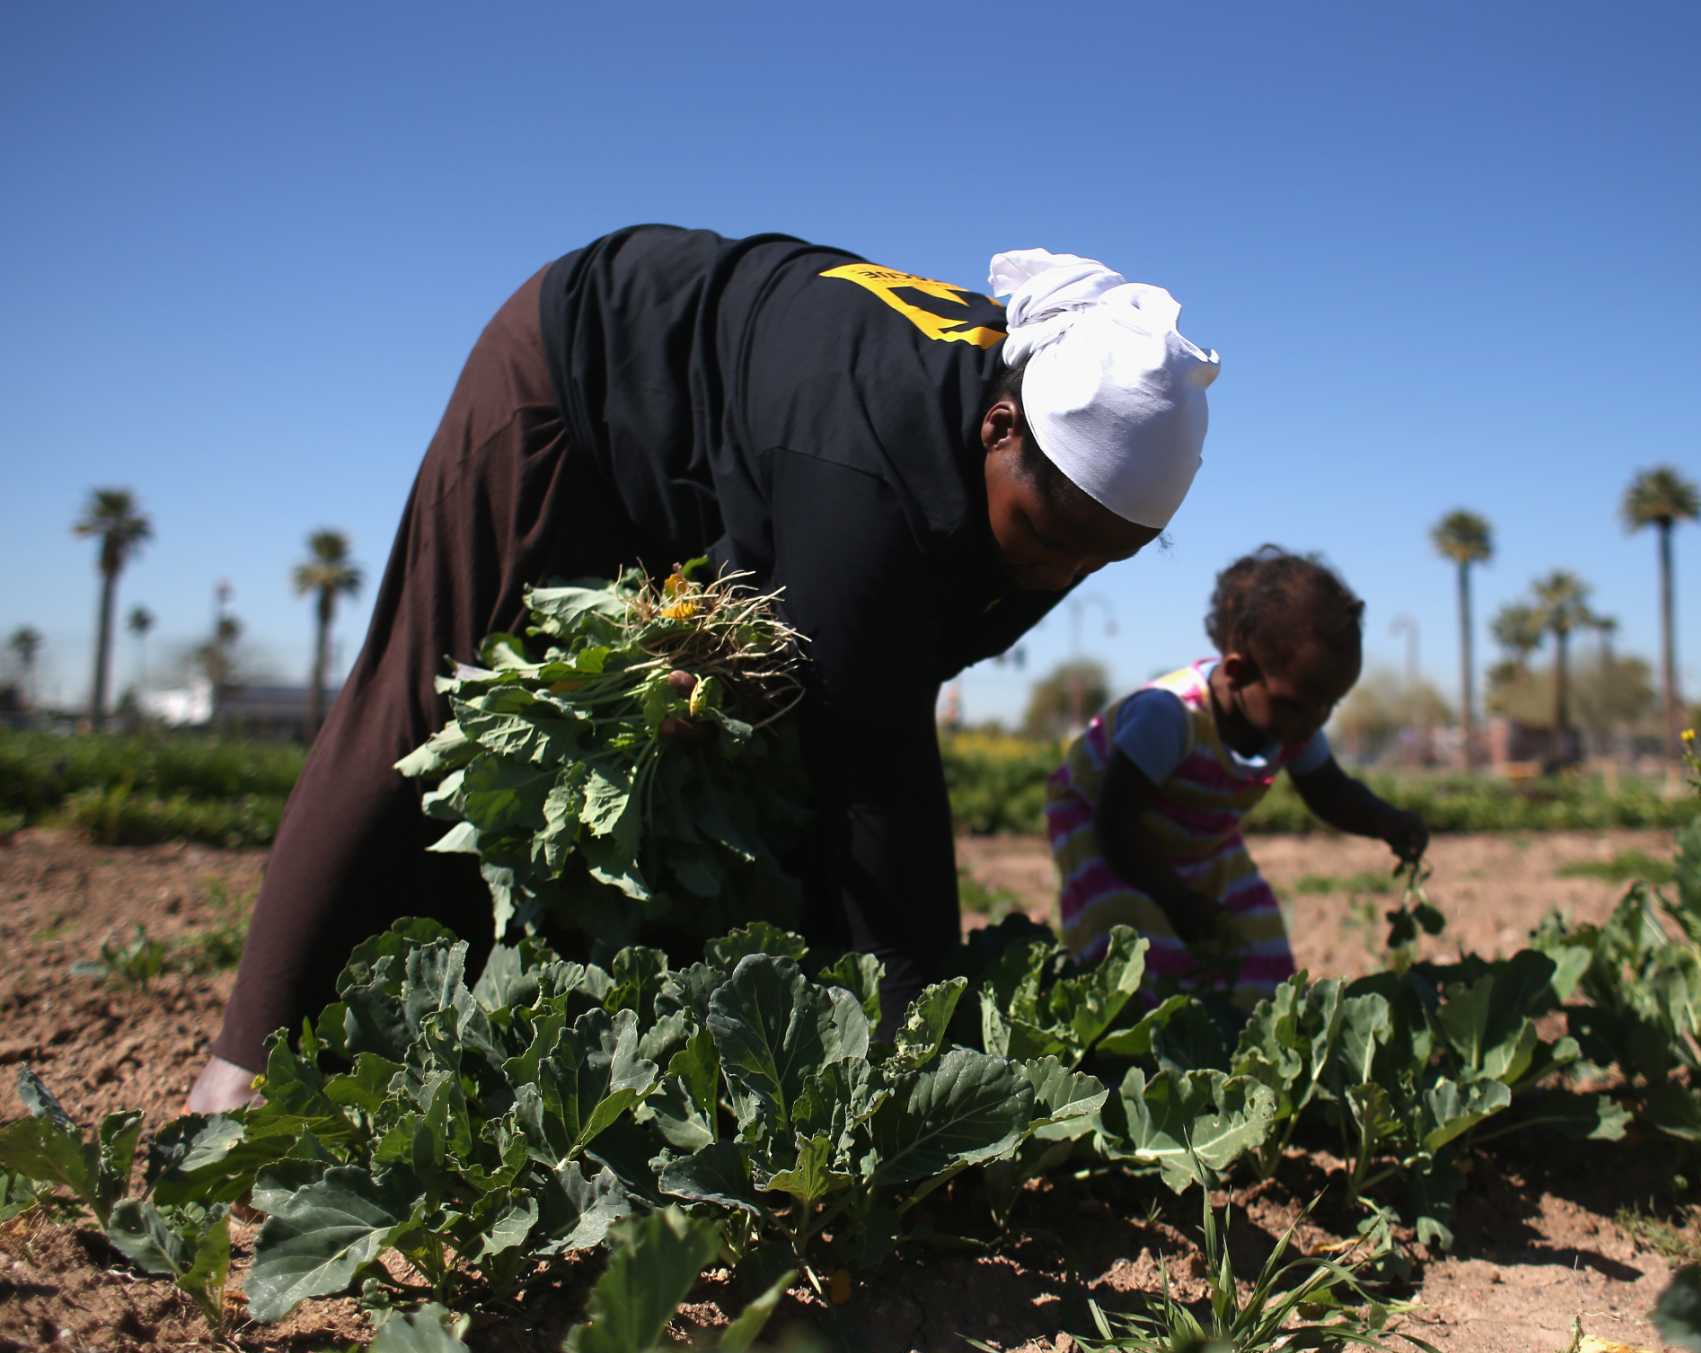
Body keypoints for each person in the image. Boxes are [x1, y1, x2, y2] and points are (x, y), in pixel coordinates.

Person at [187, 226, 1220, 1112]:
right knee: (427, 696)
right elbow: (877, 774)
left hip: (727, 455)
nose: (1061, 572)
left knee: (716, 748)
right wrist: (921, 1050)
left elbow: (896, 659)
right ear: (1000, 428)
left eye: (1103, 555)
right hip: (577, 363)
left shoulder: (1033, 459)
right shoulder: (866, 469)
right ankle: (242, 1063)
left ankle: (485, 1007)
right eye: (1049, 537)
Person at [1044, 545, 1428, 1009]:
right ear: (1239, 672)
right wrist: (1179, 902)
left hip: (1197, 838)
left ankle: (1249, 1037)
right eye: (1299, 704)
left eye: (1330, 705)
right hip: (1105, 824)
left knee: (1256, 937)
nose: (1315, 721)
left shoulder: (1291, 723)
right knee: (1129, 941)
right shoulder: (1169, 717)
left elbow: (1331, 792)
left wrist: (1386, 821)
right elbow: (1117, 823)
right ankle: (1122, 1047)